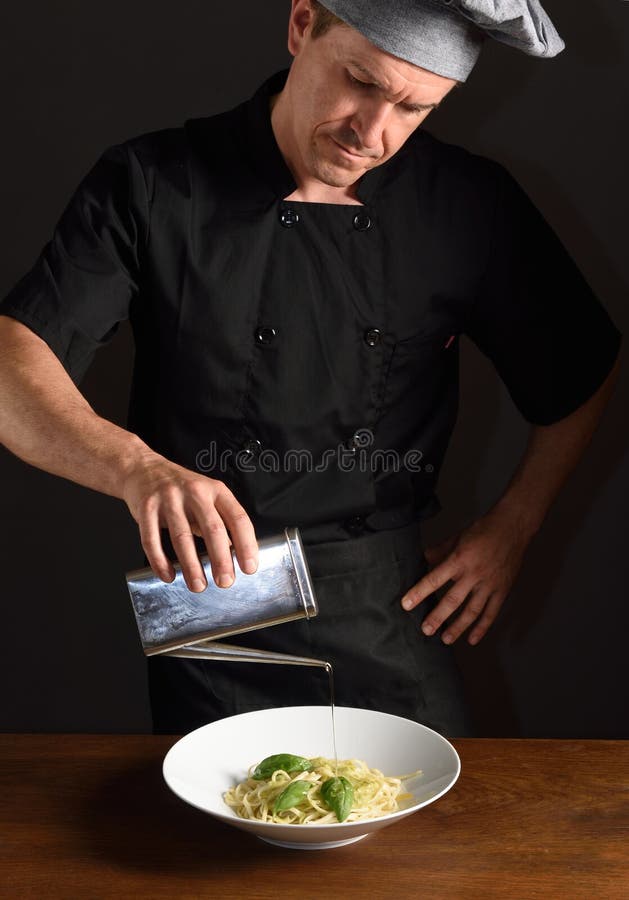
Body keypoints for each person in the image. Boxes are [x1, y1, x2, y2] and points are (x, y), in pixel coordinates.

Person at [0, 0, 621, 737]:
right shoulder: (154, 182)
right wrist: (138, 469)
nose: (373, 132)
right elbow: (13, 360)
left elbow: (581, 366)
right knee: (221, 834)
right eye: (359, 80)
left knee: (422, 846)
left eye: (414, 109)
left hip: (388, 600)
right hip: (210, 591)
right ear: (301, 26)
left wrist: (512, 527)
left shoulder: (466, 204)